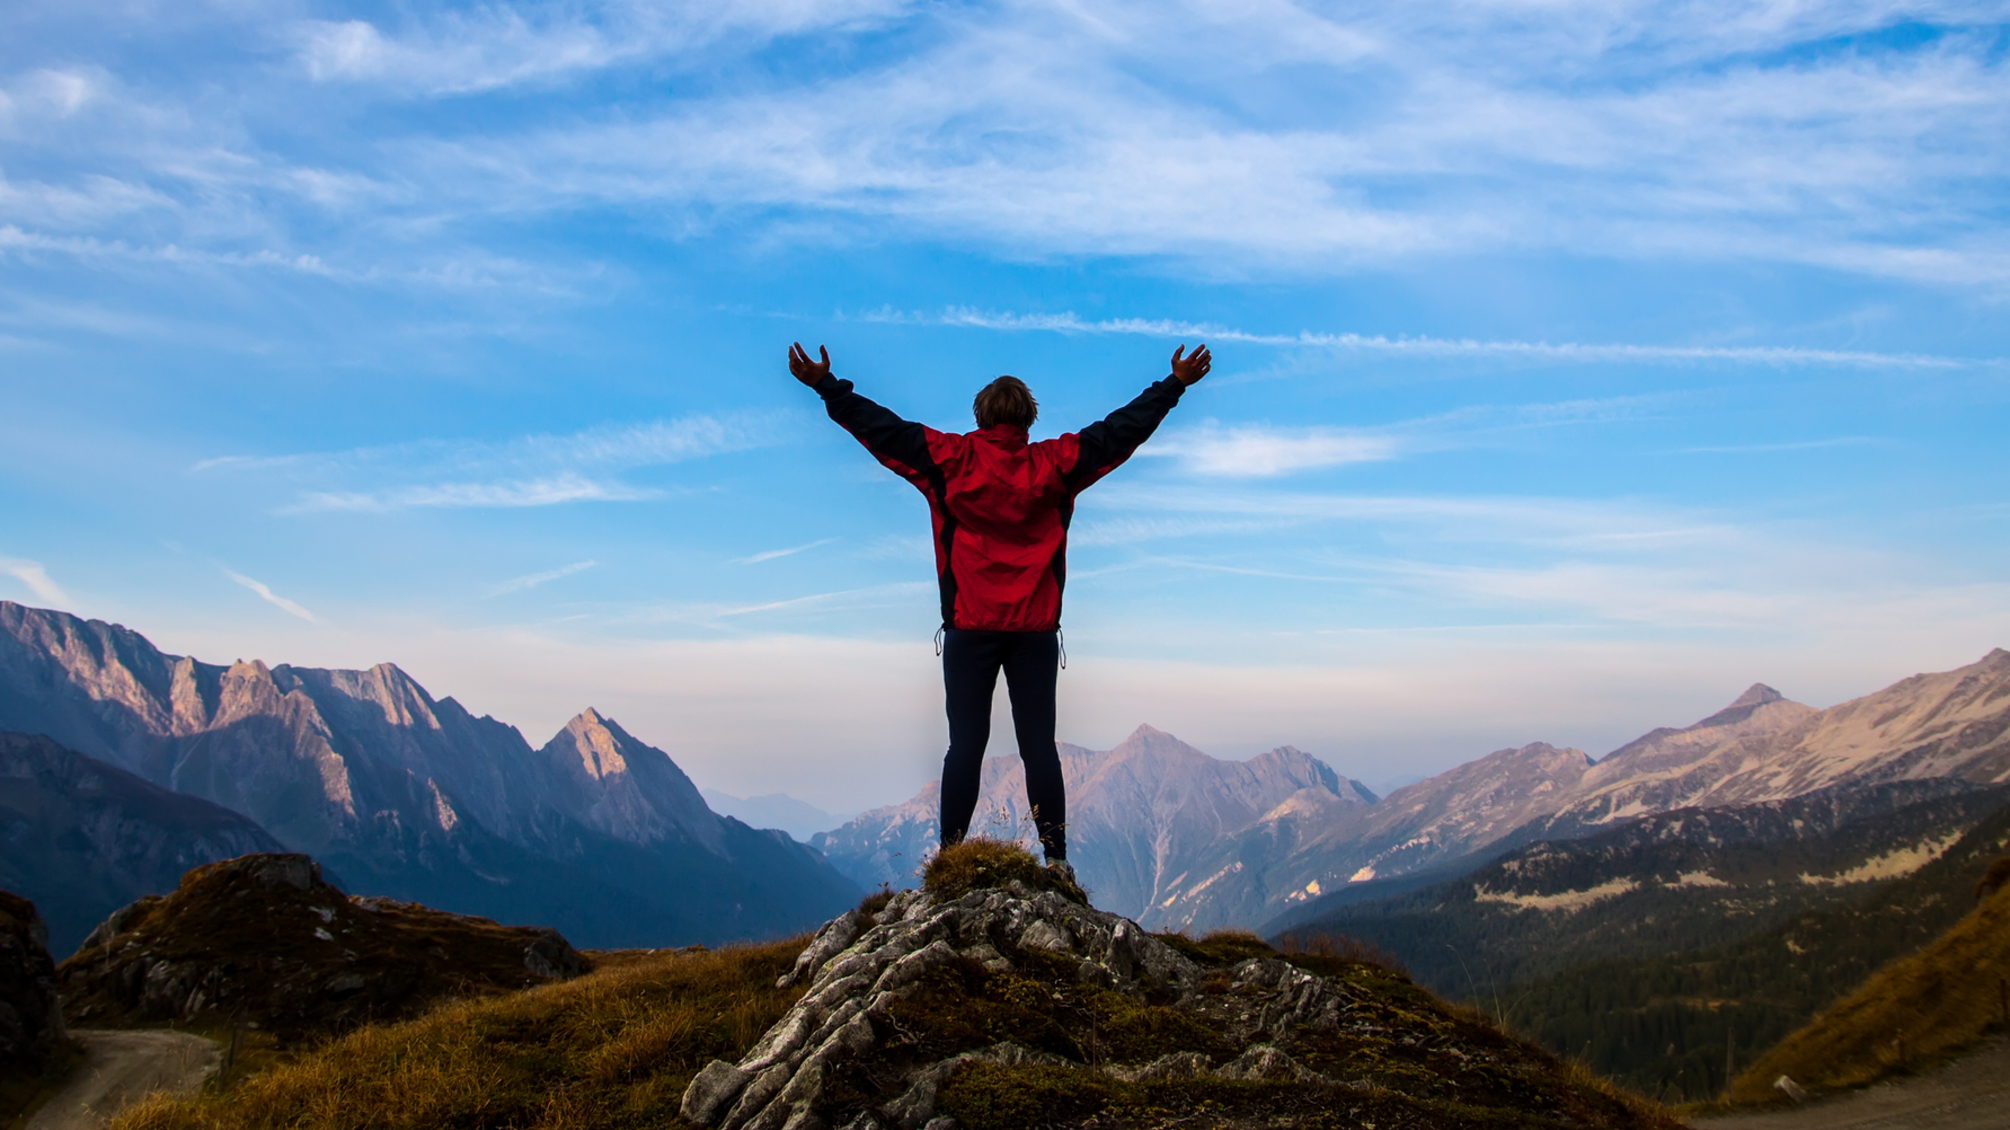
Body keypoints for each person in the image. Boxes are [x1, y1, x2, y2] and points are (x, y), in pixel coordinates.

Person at [789, 341, 1212, 878]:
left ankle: (949, 862)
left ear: (980, 416)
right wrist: (1172, 386)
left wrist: (827, 385)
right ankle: (1056, 862)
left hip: (969, 630)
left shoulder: (948, 460)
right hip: (1035, 634)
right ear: (1029, 420)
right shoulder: (1055, 464)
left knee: (965, 746)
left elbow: (882, 430)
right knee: (1039, 748)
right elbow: (1119, 432)